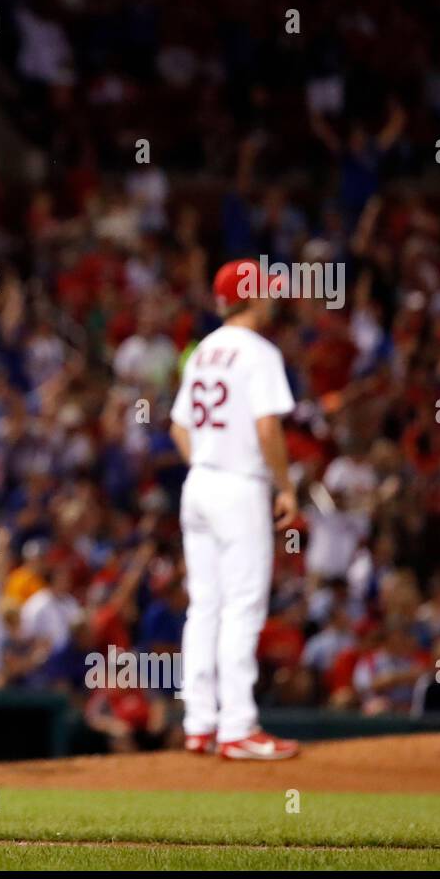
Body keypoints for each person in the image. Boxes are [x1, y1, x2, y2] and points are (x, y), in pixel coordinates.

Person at [168, 259, 300, 761]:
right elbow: (268, 429)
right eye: (268, 291)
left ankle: (200, 723)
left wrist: (206, 461)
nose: (273, 299)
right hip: (240, 487)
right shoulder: (259, 352)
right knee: (242, 608)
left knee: (204, 606)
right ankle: (238, 726)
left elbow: (179, 427)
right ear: (254, 297)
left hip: (198, 484)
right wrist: (285, 488)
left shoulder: (203, 351)